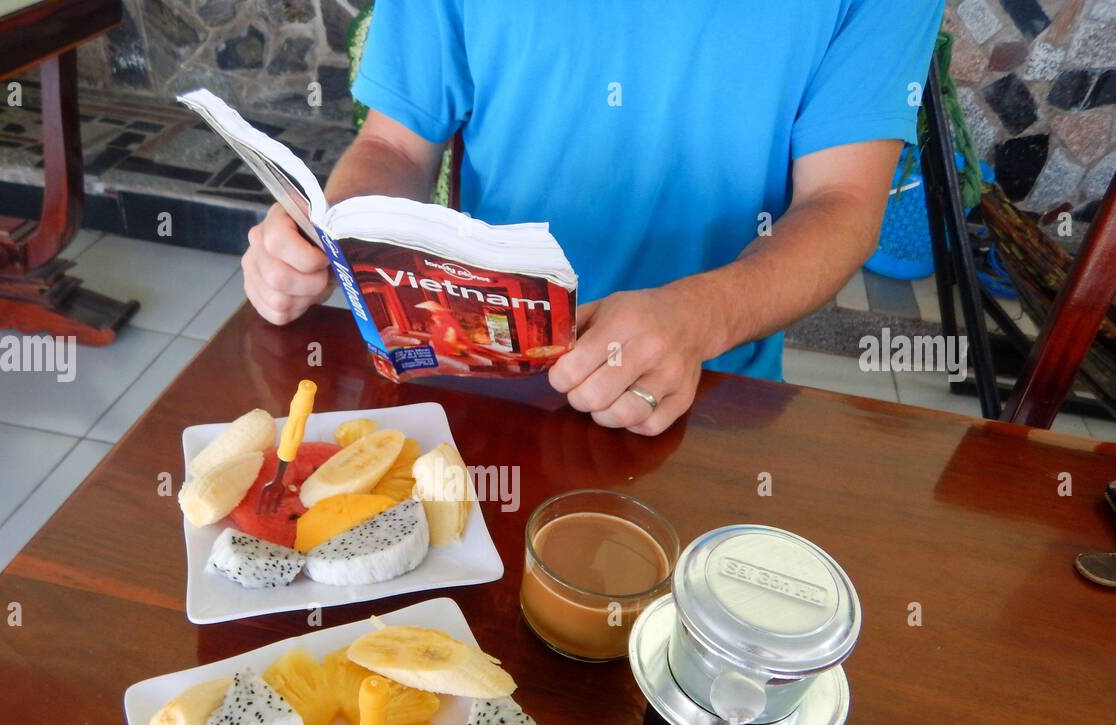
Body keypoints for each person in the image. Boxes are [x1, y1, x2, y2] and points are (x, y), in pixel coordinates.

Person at [241, 0, 943, 435]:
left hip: (710, 395)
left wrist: (698, 318)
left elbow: (845, 201)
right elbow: (395, 143)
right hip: (480, 379)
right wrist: (333, 234)